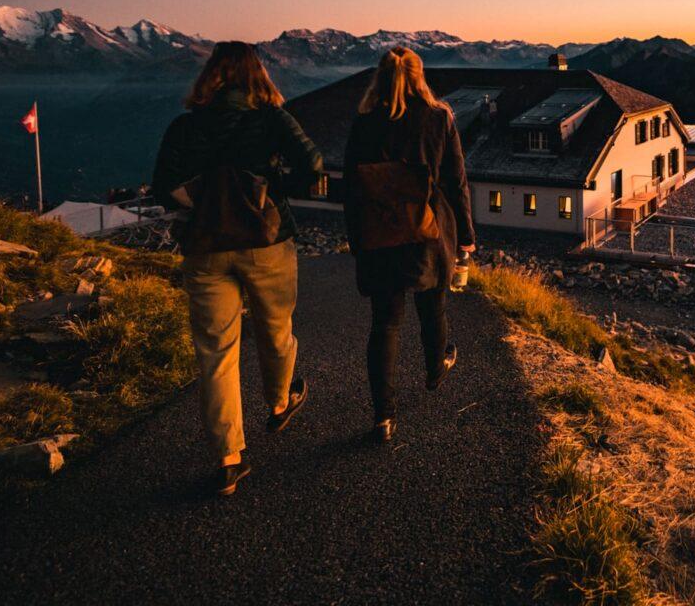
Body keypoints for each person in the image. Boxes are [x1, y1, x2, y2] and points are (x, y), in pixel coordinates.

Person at [152, 41, 323, 495]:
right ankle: (281, 401)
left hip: (205, 248)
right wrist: (273, 190)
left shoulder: (185, 126)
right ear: (257, 75)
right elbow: (314, 164)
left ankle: (229, 459)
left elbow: (162, 187)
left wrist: (203, 203)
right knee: (275, 328)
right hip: (267, 242)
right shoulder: (271, 118)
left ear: (210, 76)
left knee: (216, 353)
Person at [343, 48, 475, 442]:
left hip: (380, 235)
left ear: (380, 78)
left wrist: (357, 239)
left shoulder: (364, 123)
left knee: (385, 323)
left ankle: (383, 418)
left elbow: (352, 188)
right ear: (419, 77)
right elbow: (456, 182)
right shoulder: (438, 119)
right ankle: (436, 367)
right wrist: (465, 238)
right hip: (428, 233)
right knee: (433, 304)